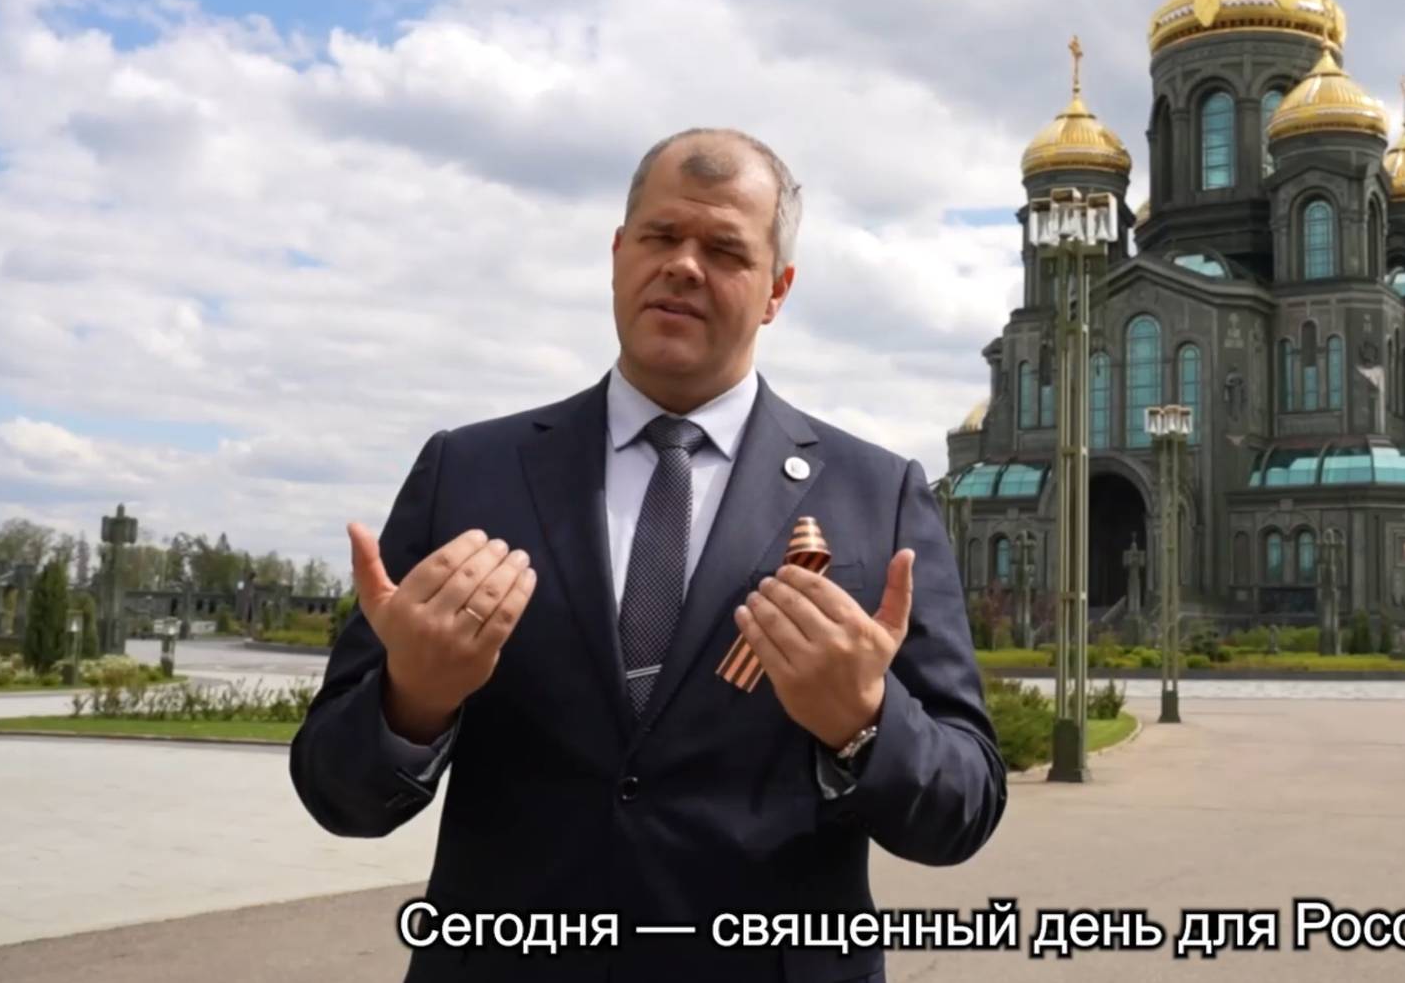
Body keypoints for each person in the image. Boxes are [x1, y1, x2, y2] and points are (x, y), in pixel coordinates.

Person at [290, 128, 1007, 981]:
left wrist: (863, 722)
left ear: (777, 291)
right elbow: (337, 794)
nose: (684, 266)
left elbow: (963, 806)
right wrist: (411, 700)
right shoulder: (469, 474)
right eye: (661, 236)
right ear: (618, 254)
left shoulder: (875, 495)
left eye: (725, 250)